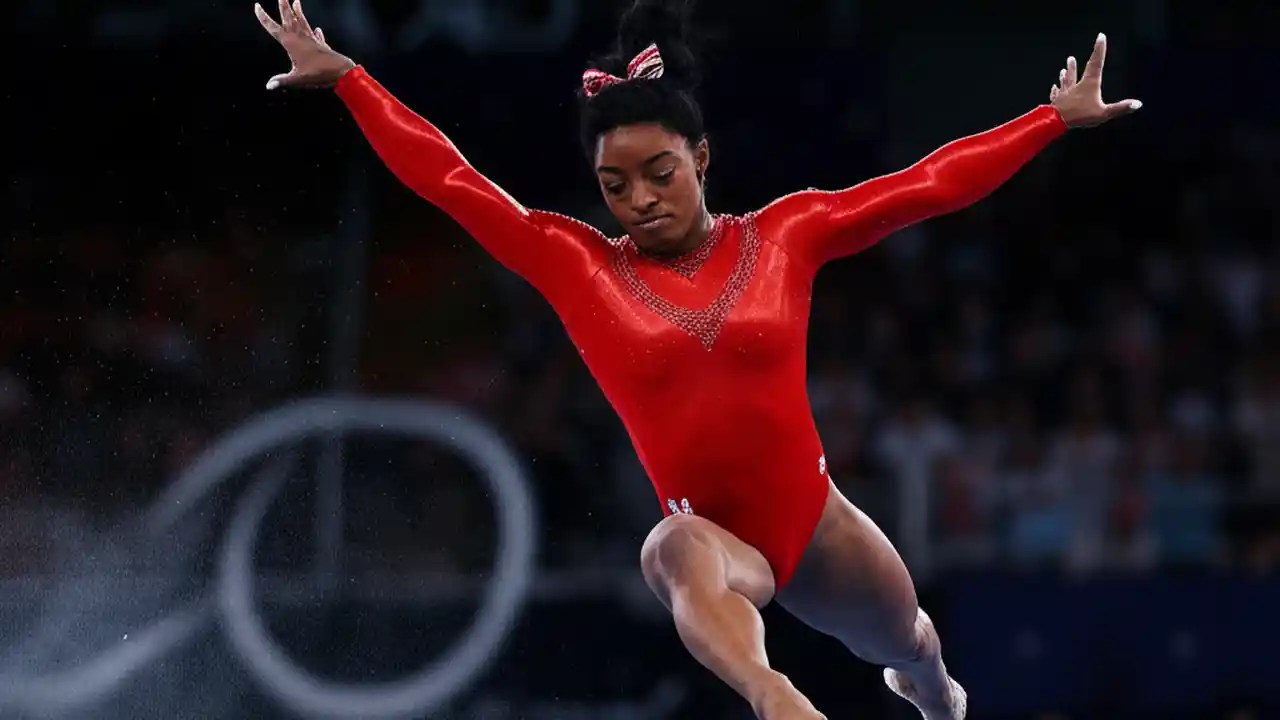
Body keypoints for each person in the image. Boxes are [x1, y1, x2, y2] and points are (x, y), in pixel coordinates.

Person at [254, 1, 1141, 717]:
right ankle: (775, 698)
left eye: (659, 174)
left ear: (701, 158)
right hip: (719, 539)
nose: (638, 200)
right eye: (615, 185)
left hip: (816, 524)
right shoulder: (577, 264)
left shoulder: (784, 234)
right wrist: (350, 81)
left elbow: (922, 186)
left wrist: (1049, 121)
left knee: (908, 640)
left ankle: (932, 694)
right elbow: (451, 180)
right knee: (672, 545)